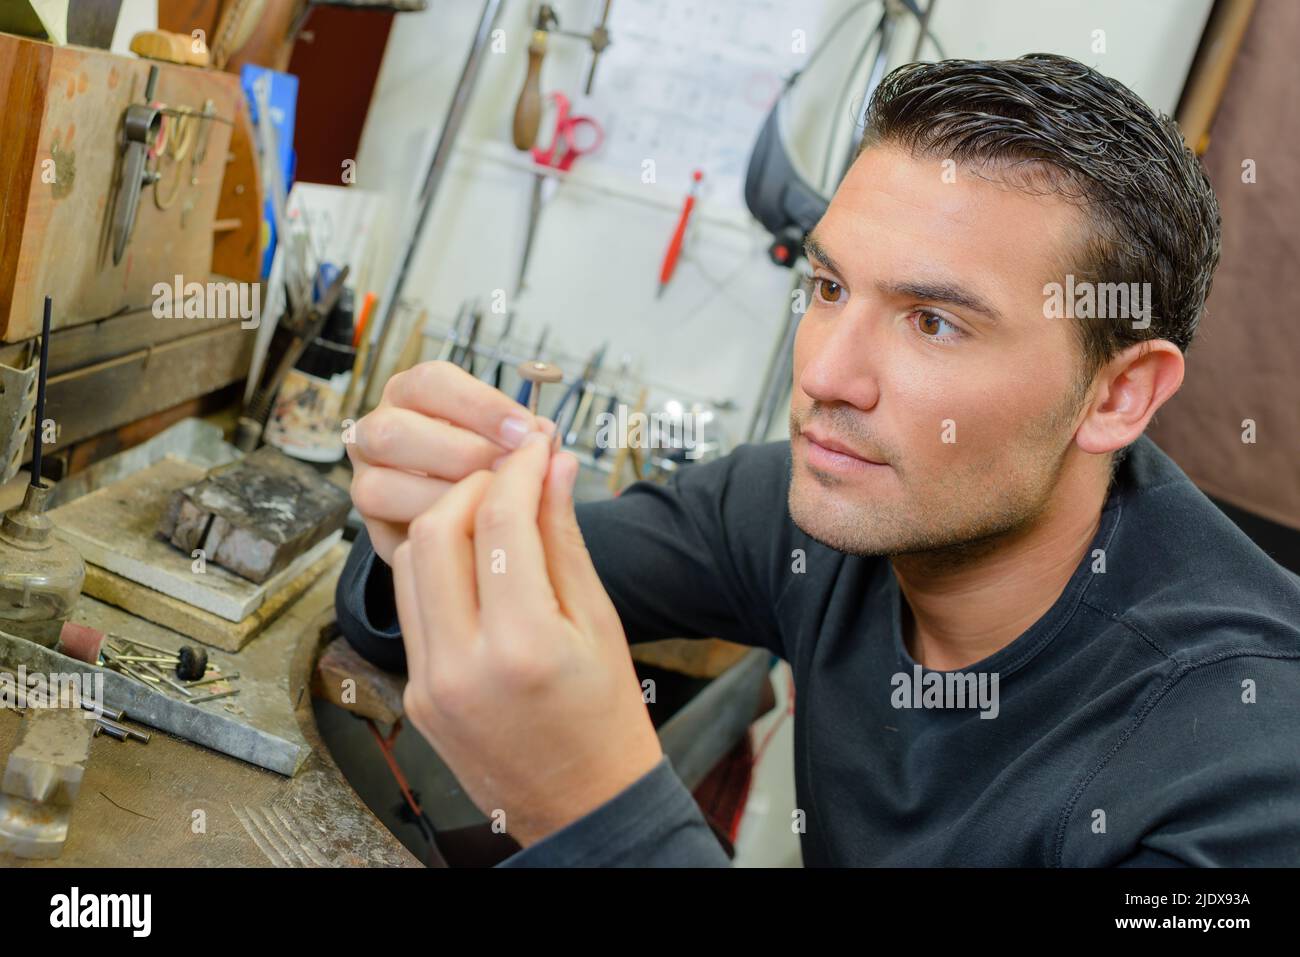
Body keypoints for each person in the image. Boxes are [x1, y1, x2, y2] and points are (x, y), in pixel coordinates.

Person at [336, 54, 1300, 866]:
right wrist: (431, 517)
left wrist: (596, 810)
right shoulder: (808, 509)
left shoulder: (1247, 767)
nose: (829, 375)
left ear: (1116, 395)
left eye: (934, 322)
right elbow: (409, 626)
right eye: (830, 285)